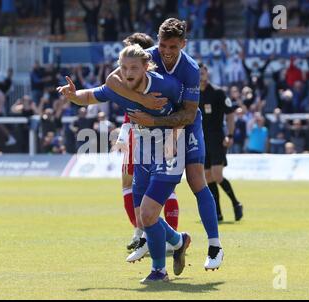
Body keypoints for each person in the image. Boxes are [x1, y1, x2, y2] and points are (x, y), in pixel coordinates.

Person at [58, 44, 191, 283]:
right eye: (123, 67)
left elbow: (188, 112)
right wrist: (73, 95)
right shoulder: (118, 87)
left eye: (133, 67)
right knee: (144, 217)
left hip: (170, 153)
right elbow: (89, 96)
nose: (127, 72)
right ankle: (179, 241)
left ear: (145, 67)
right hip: (142, 155)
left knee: (149, 214)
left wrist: (172, 135)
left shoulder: (166, 85)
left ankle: (159, 271)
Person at [106, 18, 223, 271]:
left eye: (173, 47)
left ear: (183, 44)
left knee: (196, 179)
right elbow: (112, 81)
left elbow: (189, 114)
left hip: (185, 126)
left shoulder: (190, 69)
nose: (167, 53)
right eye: (163, 46)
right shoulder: (146, 57)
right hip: (154, 129)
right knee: (144, 184)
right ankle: (162, 239)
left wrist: (152, 117)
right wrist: (144, 103)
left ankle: (215, 246)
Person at [116, 32, 181, 251]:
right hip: (160, 130)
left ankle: (142, 234)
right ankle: (158, 236)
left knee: (131, 183)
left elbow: (130, 106)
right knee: (163, 185)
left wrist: (125, 135)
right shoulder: (161, 75)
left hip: (143, 132)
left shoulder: (137, 77)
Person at [199, 63, 243, 222]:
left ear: (207, 74)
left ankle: (236, 203)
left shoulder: (218, 93)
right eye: (198, 73)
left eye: (202, 73)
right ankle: (217, 212)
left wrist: (230, 135)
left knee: (217, 175)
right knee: (208, 177)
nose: (200, 76)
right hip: (201, 141)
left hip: (217, 139)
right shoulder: (193, 93)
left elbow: (230, 114)